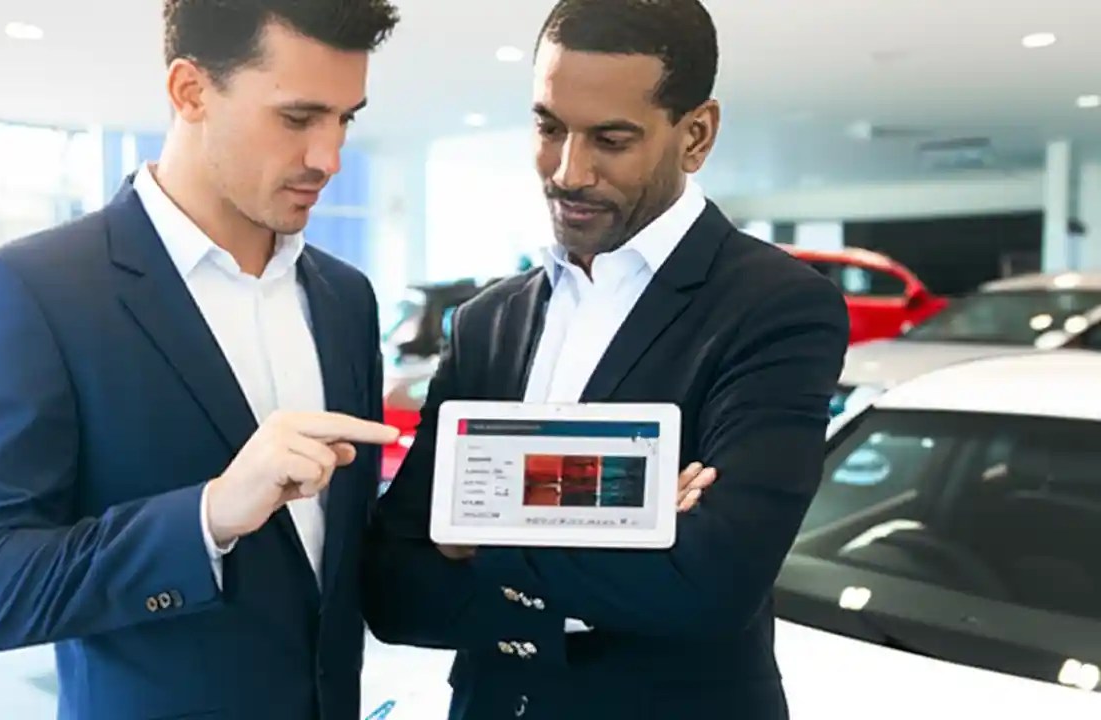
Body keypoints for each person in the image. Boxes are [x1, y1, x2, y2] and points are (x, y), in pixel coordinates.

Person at [362, 0, 850, 718]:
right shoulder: (488, 322)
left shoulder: (777, 307)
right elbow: (395, 590)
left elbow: (711, 585)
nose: (568, 171)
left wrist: (481, 531)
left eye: (611, 140)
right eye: (548, 127)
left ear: (696, 135)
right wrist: (634, 512)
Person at [0, 1, 402, 718]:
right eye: (298, 119)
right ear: (190, 91)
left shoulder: (346, 297)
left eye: (346, 119)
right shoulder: (40, 288)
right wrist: (208, 516)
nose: (328, 158)